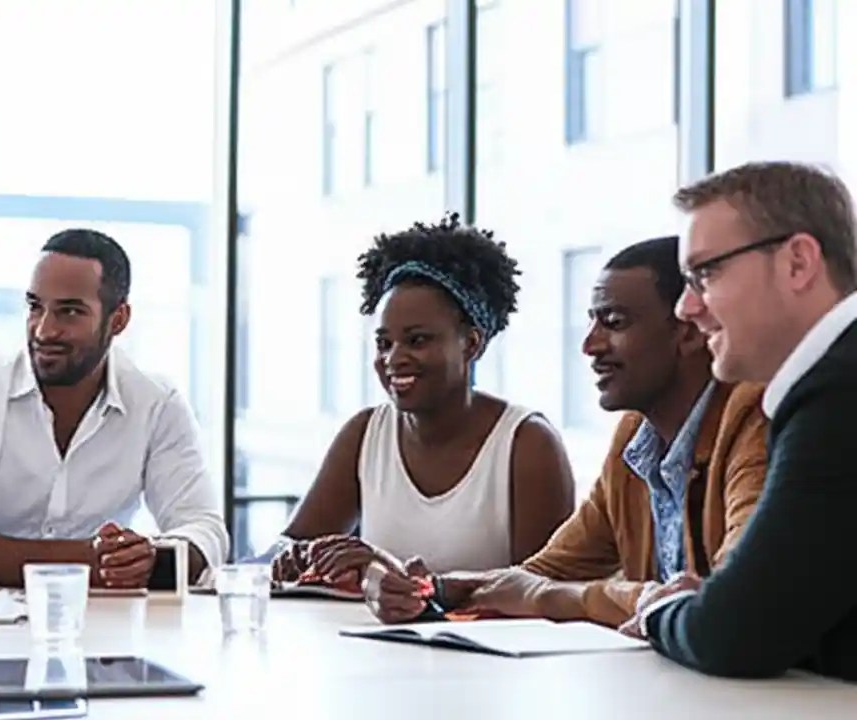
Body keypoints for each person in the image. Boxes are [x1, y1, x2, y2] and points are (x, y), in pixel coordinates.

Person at [367, 236, 768, 628]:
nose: (590, 345)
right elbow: (546, 572)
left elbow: (728, 602)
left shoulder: (753, 419)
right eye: (592, 320)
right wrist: (430, 591)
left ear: (689, 331)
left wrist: (553, 596)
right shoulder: (636, 440)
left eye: (613, 322)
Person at [620, 162, 857, 681]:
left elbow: (735, 636)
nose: (686, 307)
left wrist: (662, 611)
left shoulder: (841, 392)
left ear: (798, 262)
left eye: (705, 273)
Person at [268, 214, 576, 593]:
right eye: (384, 343)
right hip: (378, 649)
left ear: (471, 344)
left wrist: (390, 574)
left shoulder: (528, 444)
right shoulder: (364, 434)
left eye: (416, 341)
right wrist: (299, 559)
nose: (394, 358)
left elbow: (543, 594)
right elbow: (293, 545)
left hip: (485, 652)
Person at [0, 228, 229, 588]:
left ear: (119, 320)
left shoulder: (156, 402)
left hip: (104, 627)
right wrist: (98, 563)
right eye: (35, 307)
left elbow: (206, 530)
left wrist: (153, 560)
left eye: (70, 312)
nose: (45, 330)